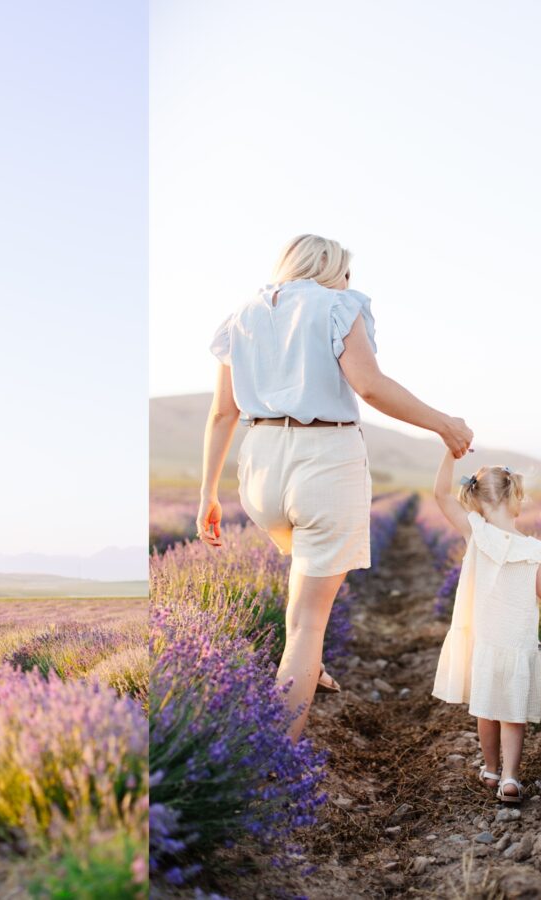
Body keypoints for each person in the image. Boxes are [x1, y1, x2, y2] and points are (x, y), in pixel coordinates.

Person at [198, 233, 474, 741]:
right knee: (305, 624)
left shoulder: (241, 316)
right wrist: (443, 424)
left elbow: (222, 413)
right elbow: (369, 385)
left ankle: (307, 666)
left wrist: (207, 495)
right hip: (323, 461)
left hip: (259, 470)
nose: (350, 281)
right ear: (331, 269)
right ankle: (281, 761)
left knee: (302, 590)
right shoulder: (337, 305)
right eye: (347, 271)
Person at [430, 453, 541, 803]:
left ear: (476, 499)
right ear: (514, 497)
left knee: (487, 707)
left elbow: (440, 495)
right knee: (513, 715)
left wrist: (450, 453)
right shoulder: (532, 550)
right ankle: (510, 778)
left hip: (485, 640)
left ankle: (491, 769)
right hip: (518, 644)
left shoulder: (476, 534)